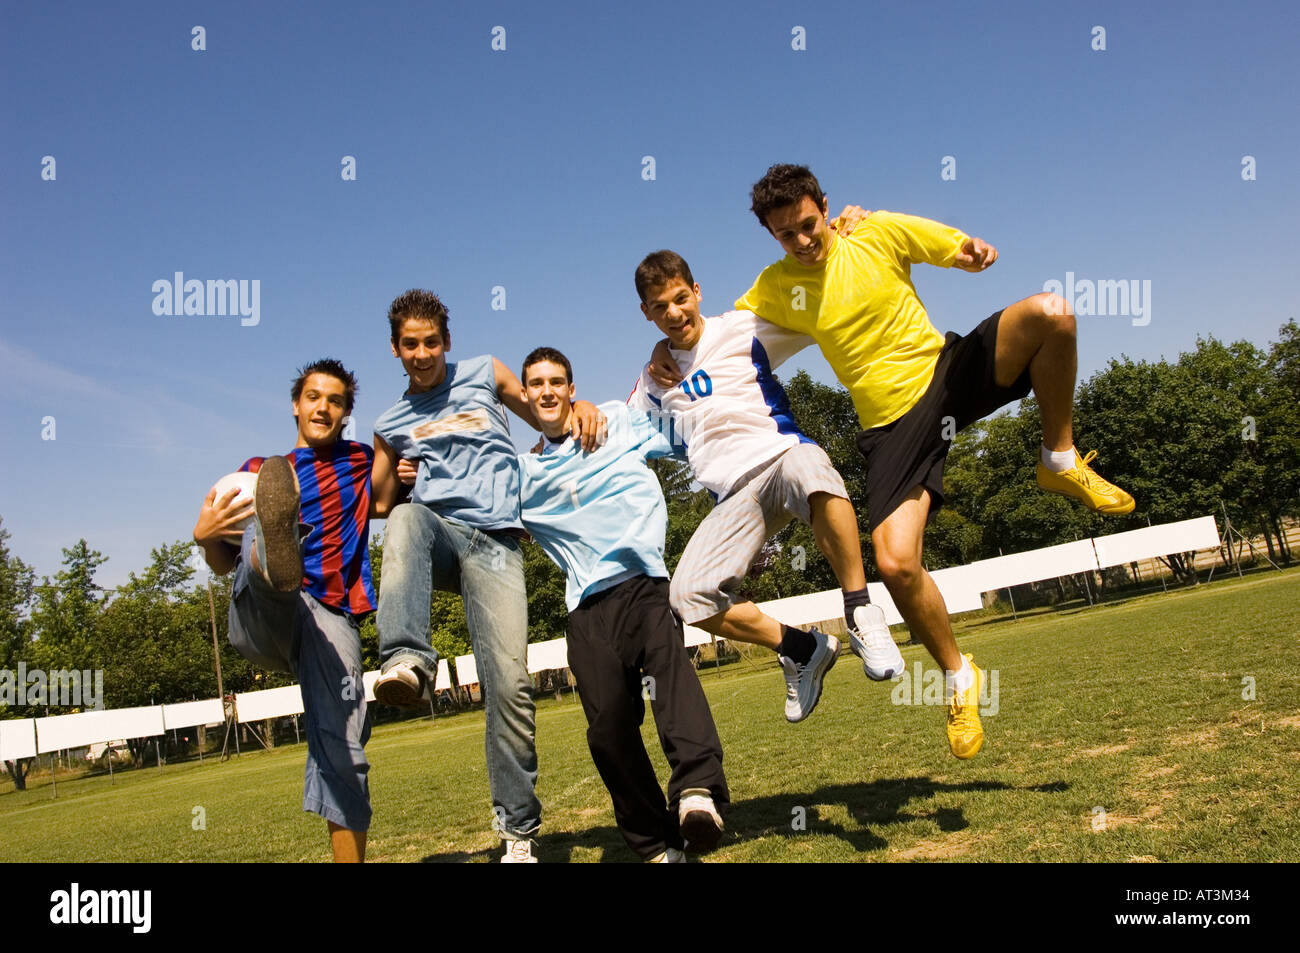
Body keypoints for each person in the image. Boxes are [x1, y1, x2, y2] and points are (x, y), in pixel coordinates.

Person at [668, 163, 1136, 759]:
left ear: (826, 207)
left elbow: (954, 248)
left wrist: (970, 252)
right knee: (894, 562)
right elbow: (714, 336)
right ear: (772, 237)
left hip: (947, 372)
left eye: (810, 225)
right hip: (891, 428)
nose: (803, 241)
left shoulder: (877, 231)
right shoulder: (774, 286)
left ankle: (1059, 458)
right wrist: (668, 348)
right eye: (787, 235)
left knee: (1052, 312)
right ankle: (960, 678)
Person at [369, 289, 604, 863]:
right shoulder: (392, 421)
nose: (422, 354)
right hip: (439, 533)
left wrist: (586, 407)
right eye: (410, 345)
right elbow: (379, 504)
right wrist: (400, 477)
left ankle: (518, 834)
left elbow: (548, 417)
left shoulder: (482, 373)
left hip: (496, 542)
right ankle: (405, 660)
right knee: (404, 517)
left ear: (446, 343)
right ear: (394, 349)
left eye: (431, 343)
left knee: (510, 685)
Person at [630, 250, 906, 726]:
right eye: (660, 307)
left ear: (697, 292)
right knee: (688, 597)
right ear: (647, 313)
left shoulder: (743, 328)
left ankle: (861, 611)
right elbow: (610, 429)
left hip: (780, 457)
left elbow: (820, 303)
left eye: (680, 299)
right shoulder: (653, 383)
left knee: (813, 467)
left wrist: (844, 237)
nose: (674, 314)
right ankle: (801, 649)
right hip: (732, 497)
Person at [506, 346, 729, 863]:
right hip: (586, 609)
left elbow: (686, 430)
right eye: (536, 383)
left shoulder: (615, 423)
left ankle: (697, 794)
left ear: (571, 389)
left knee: (671, 677)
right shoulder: (523, 476)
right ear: (525, 395)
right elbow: (470, 496)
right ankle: (654, 843)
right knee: (608, 728)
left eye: (556, 381)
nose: (547, 391)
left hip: (645, 585)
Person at [192, 358, 376, 862]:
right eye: (314, 396)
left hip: (330, 615)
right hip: (263, 612)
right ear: (296, 404)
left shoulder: (359, 461)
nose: (323, 406)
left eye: (335, 400)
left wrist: (403, 470)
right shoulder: (254, 473)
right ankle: (273, 554)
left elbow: (397, 484)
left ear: (345, 413)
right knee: (260, 541)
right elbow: (217, 560)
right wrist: (205, 538)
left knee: (345, 739)